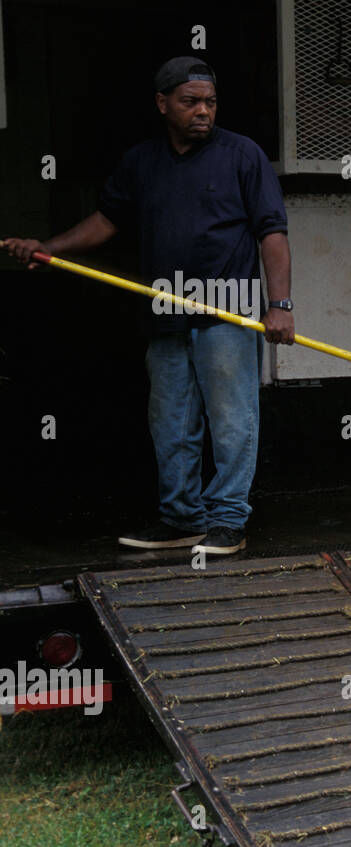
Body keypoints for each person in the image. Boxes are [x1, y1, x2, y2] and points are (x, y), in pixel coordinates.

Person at [3, 56, 295, 556]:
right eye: (191, 102)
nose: (203, 111)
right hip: (165, 311)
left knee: (232, 420)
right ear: (163, 104)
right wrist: (50, 247)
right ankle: (182, 517)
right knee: (171, 421)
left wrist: (280, 304)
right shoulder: (141, 162)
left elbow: (272, 232)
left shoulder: (243, 155)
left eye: (210, 102)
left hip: (229, 309)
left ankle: (229, 521)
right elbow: (106, 221)